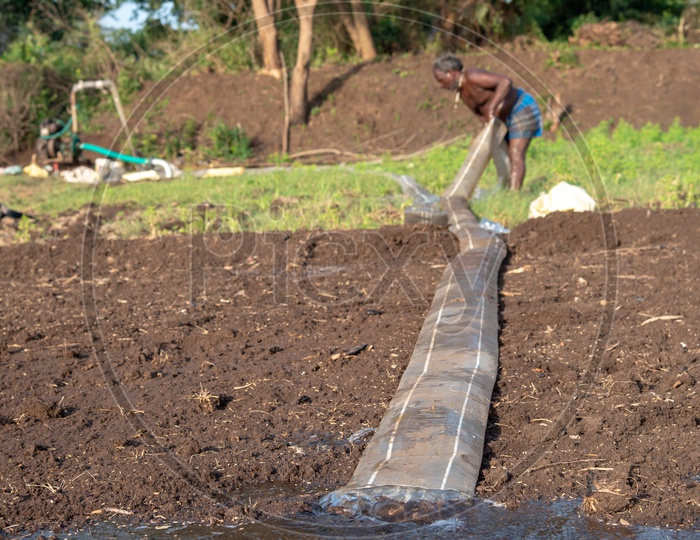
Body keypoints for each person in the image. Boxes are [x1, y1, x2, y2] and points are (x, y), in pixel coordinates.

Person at [432, 54, 542, 190]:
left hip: (519, 108)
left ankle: (515, 194)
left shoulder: (472, 76)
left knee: (515, 153)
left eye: (441, 80)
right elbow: (480, 114)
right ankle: (506, 190)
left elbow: (505, 82)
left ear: (451, 73)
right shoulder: (462, 93)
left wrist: (492, 107)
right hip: (502, 119)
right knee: (503, 156)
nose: (441, 85)